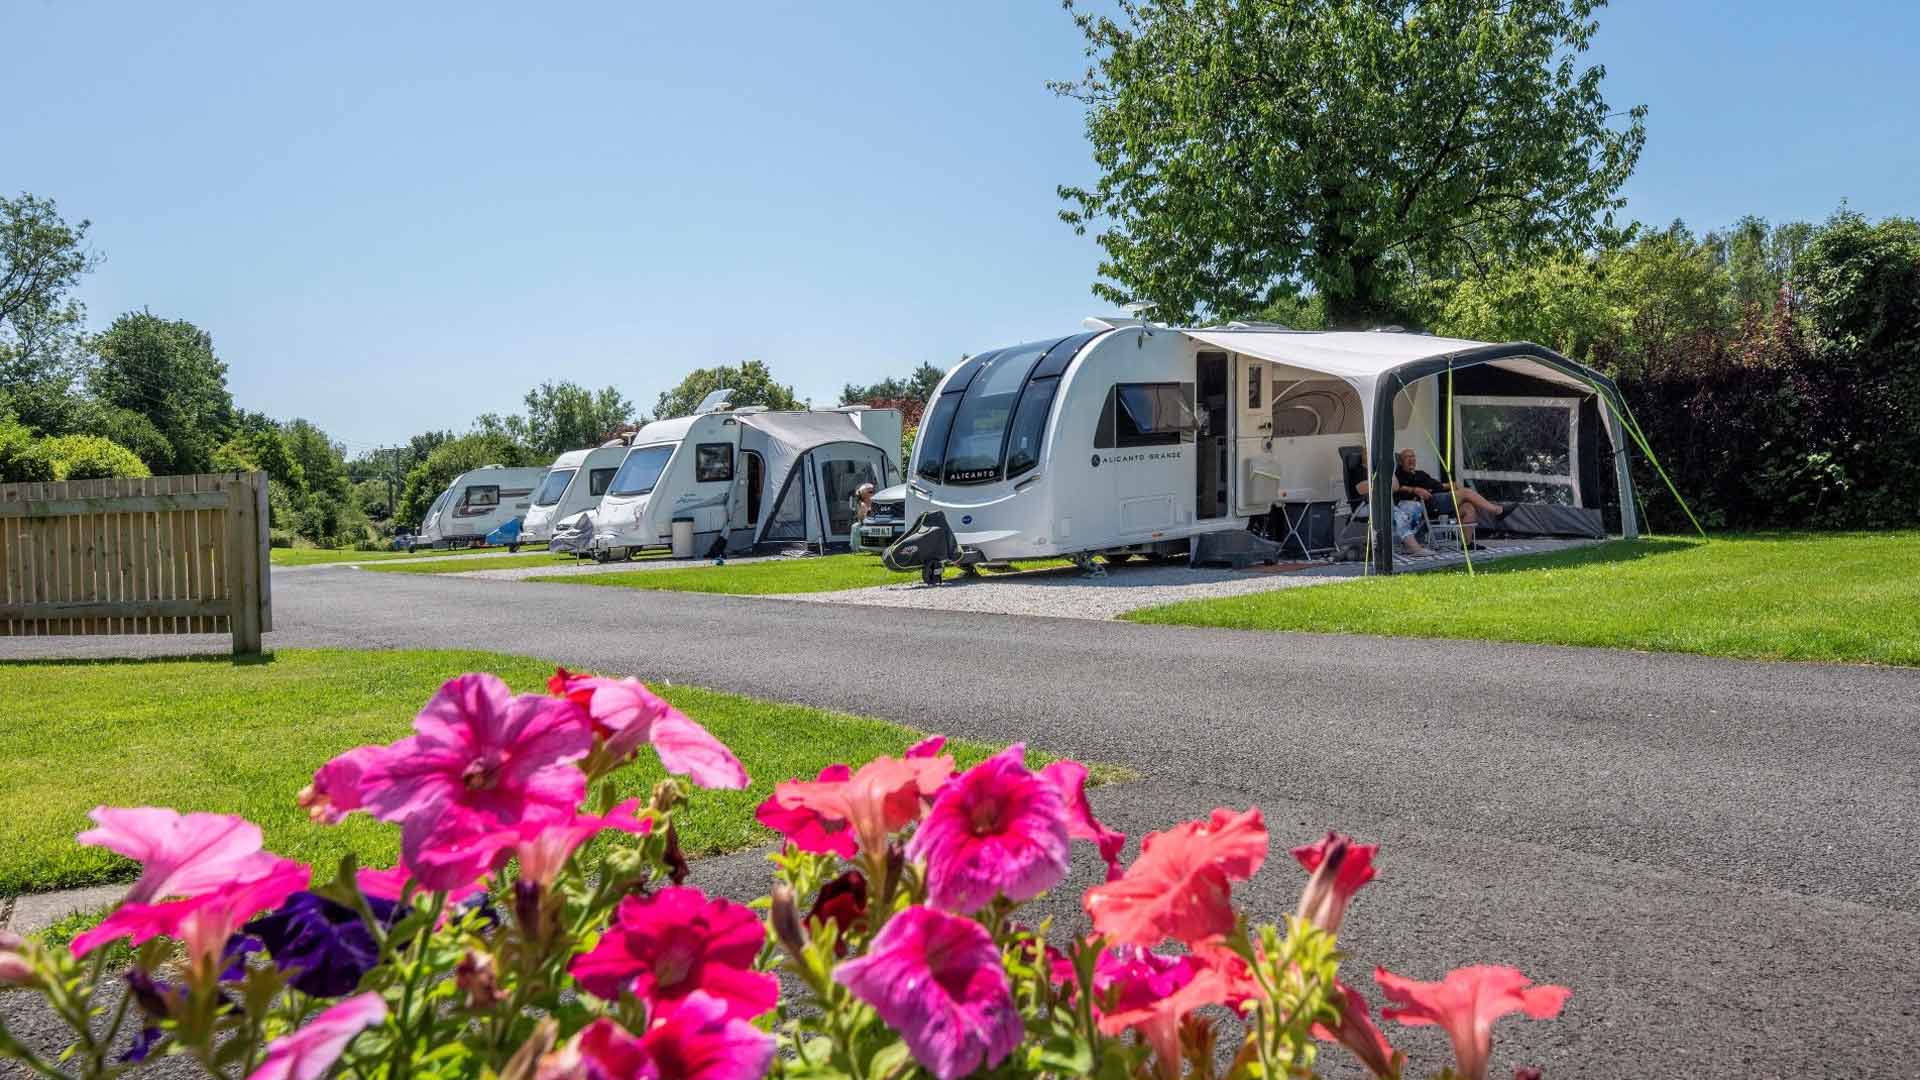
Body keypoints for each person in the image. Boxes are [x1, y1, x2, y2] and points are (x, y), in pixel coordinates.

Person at [1393, 448, 1510, 540]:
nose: (1411, 459)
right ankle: (1497, 511)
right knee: (1466, 493)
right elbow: (1396, 489)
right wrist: (1415, 489)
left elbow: (1438, 486)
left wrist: (1452, 484)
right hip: (1427, 504)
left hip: (1439, 501)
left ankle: (1467, 544)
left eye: (1413, 456)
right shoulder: (1399, 475)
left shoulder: (1420, 474)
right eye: (1407, 457)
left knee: (1468, 507)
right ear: (1401, 461)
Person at [1355, 460, 1432, 556]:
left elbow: (1395, 486)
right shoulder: (1360, 470)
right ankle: (1415, 548)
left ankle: (1407, 544)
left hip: (1388, 503)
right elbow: (1361, 489)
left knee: (1414, 506)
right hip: (1365, 506)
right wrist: (1383, 481)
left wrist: (1387, 471)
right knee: (1395, 513)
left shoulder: (1381, 468)